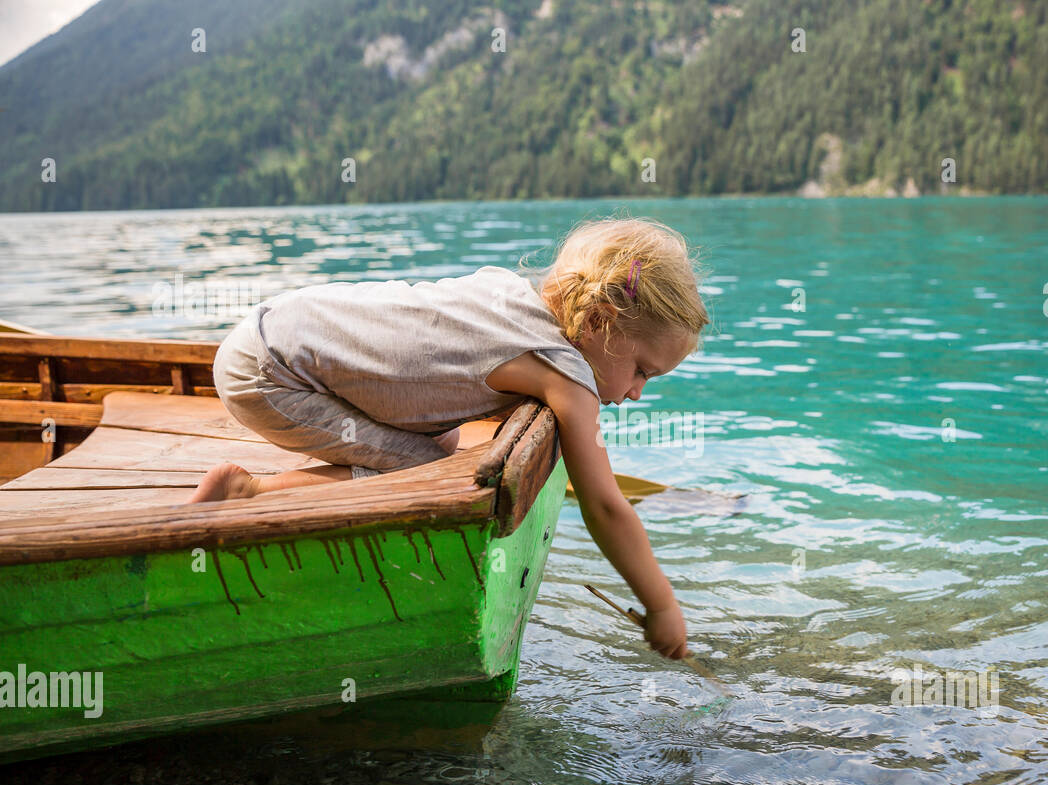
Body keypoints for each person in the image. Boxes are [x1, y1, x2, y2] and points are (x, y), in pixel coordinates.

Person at [188, 215, 710, 660]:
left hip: (270, 332)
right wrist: (661, 605)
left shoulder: (510, 292)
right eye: (643, 369)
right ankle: (246, 495)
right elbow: (606, 506)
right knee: (427, 475)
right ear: (600, 320)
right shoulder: (567, 377)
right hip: (272, 377)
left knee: (442, 446)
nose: (639, 391)